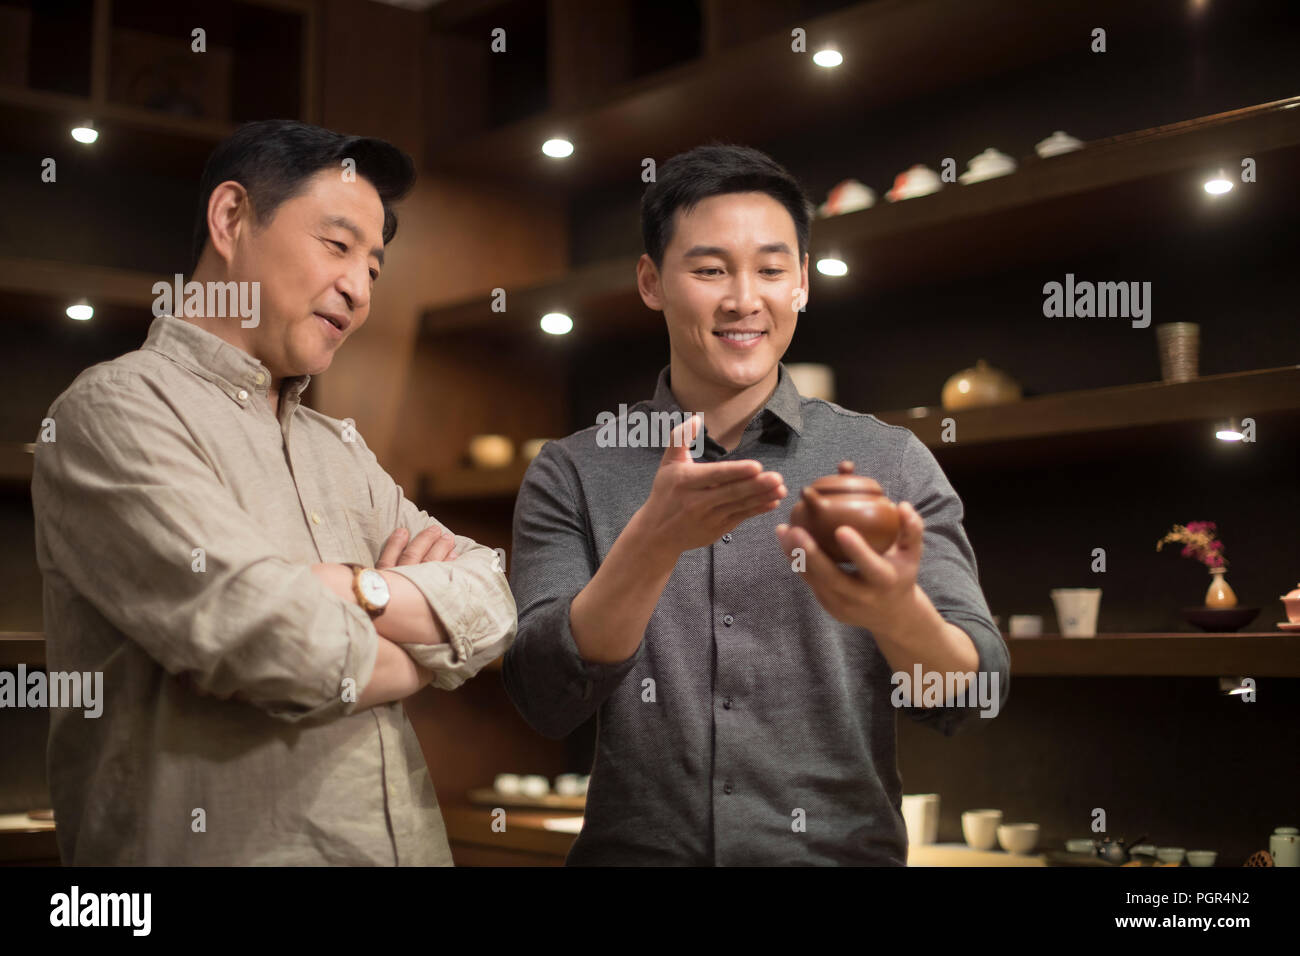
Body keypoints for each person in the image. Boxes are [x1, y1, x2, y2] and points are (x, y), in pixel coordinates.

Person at [504, 143, 1009, 865]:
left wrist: (897, 610)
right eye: (710, 270)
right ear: (651, 281)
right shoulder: (572, 471)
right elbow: (543, 696)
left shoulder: (890, 462)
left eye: (772, 270)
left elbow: (972, 700)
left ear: (802, 283)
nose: (745, 299)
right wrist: (650, 543)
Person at [32, 120, 516, 865]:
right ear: (231, 219)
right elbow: (270, 642)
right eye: (337, 245)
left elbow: (494, 598)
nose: (358, 289)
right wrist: (422, 655)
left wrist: (358, 591)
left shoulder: (339, 449)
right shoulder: (113, 410)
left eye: (376, 268)